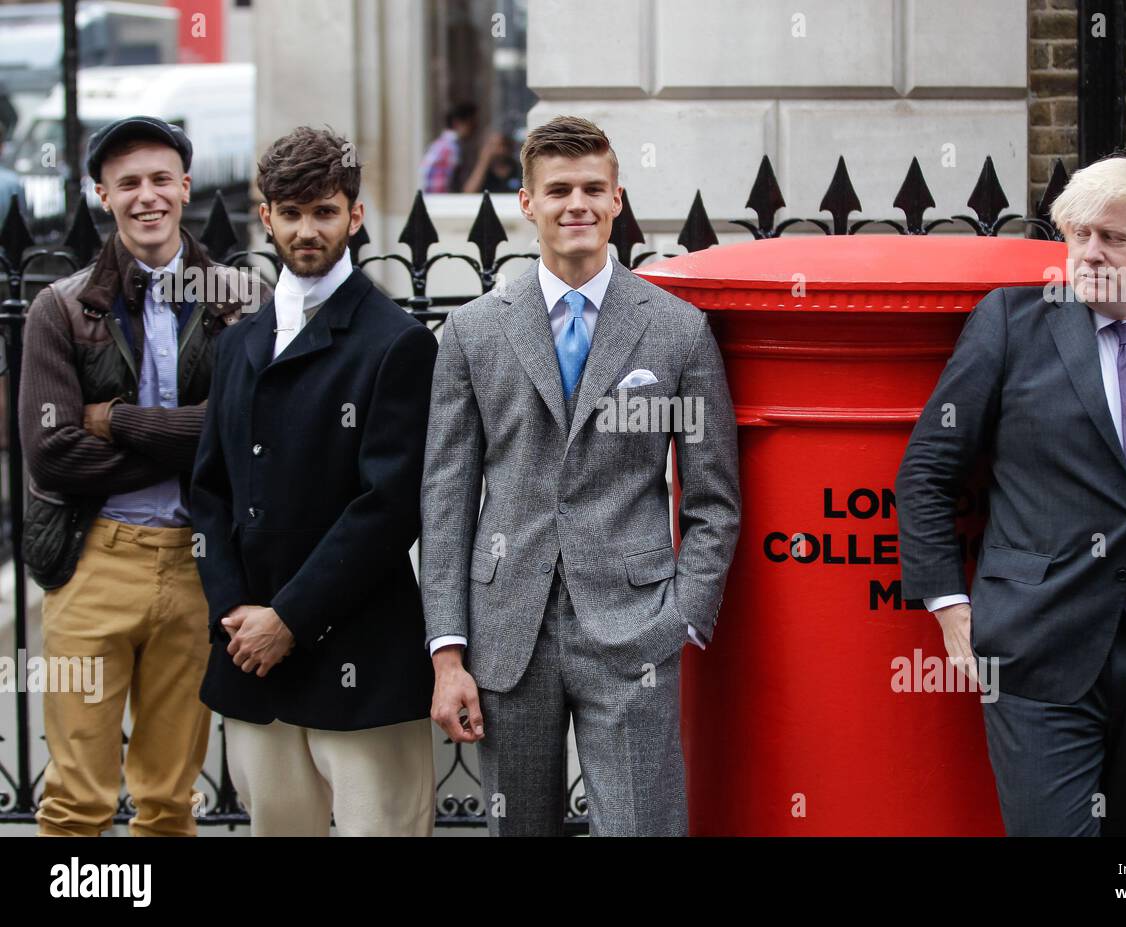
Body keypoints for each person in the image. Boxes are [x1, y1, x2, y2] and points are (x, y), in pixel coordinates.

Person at [897, 155, 1126, 836]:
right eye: (1078, 235)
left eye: (1113, 237)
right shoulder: (1013, 325)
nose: (1090, 253)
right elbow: (928, 467)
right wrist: (950, 605)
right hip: (1038, 647)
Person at [421, 115, 741, 836]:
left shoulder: (676, 329)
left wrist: (683, 615)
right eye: (559, 189)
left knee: (641, 825)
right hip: (507, 632)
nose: (578, 204)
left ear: (617, 199)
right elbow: (445, 502)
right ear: (528, 203)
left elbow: (714, 498)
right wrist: (448, 652)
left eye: (594, 188)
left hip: (635, 629)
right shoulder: (473, 331)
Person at [190, 126, 439, 836]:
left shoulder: (396, 341)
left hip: (360, 659)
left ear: (354, 217)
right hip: (252, 662)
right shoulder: (238, 342)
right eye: (291, 212)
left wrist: (289, 618)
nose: (308, 229)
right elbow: (210, 491)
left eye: (324, 211)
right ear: (264, 217)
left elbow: (388, 508)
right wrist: (233, 605)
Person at [18, 116, 249, 835]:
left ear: (185, 186)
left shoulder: (238, 300)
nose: (145, 196)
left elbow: (245, 438)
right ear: (101, 196)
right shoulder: (60, 306)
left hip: (195, 566)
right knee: (75, 799)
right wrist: (194, 436)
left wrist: (114, 421)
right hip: (92, 563)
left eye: (159, 179)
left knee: (169, 800)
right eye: (127, 184)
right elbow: (51, 452)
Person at [419, 102, 478, 194]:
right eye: (471, 123)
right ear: (457, 123)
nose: (475, 127)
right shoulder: (452, 148)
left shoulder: (440, 144)